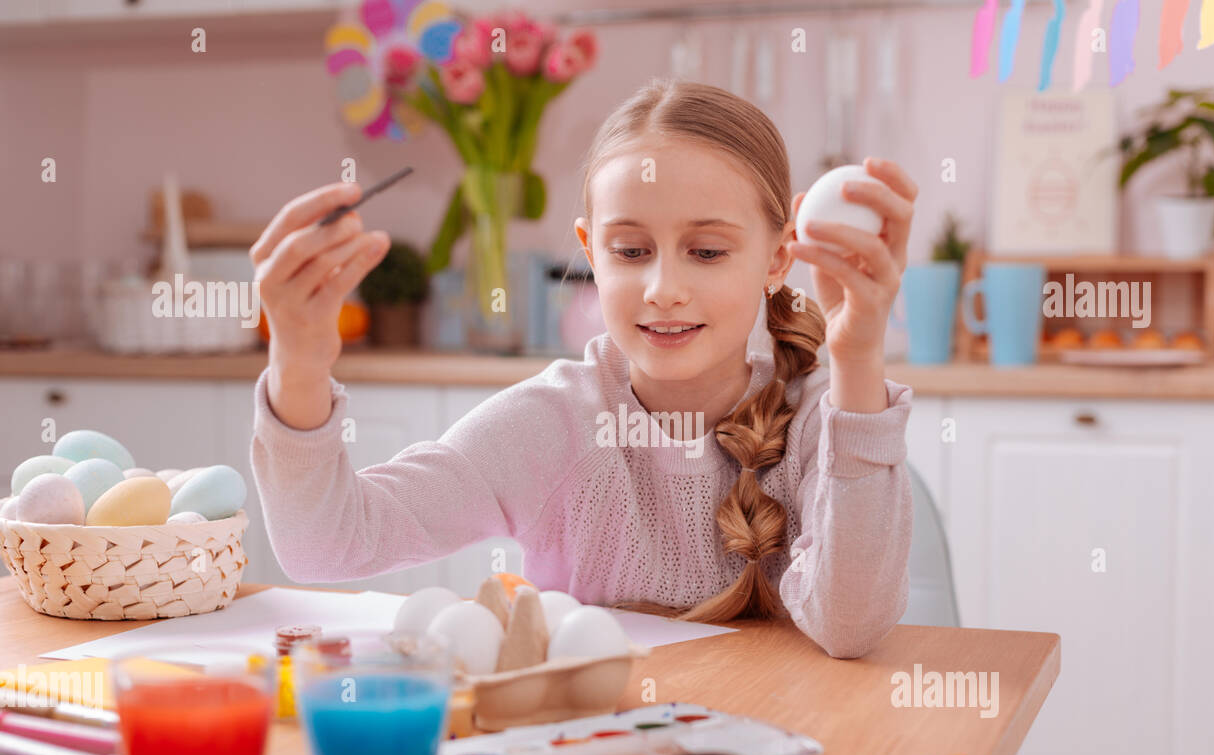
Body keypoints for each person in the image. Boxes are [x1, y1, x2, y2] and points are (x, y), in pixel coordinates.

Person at [249, 77, 917, 659]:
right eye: (630, 250)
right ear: (590, 253)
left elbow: (851, 627)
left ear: (778, 257)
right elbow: (326, 544)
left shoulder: (818, 413)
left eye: (707, 252)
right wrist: (299, 362)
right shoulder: (555, 424)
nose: (663, 287)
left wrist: (856, 358)